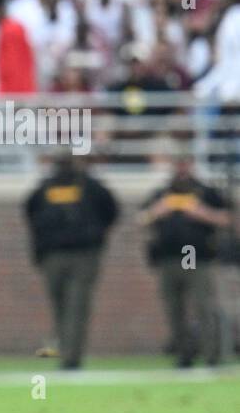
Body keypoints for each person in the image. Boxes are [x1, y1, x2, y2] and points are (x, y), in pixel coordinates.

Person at [23, 153, 120, 370]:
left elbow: (111, 211)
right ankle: (66, 352)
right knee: (60, 306)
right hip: (54, 255)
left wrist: (95, 237)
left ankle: (71, 357)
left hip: (83, 255)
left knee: (76, 306)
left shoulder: (91, 188)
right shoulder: (45, 189)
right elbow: (31, 213)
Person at [139, 154, 232, 368]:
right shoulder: (162, 193)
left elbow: (227, 218)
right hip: (168, 257)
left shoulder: (206, 192)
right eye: (178, 164)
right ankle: (183, 354)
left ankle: (211, 354)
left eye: (185, 163)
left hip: (194, 255)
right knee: (174, 308)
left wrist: (202, 213)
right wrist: (158, 212)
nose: (181, 169)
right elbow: (141, 219)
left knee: (202, 305)